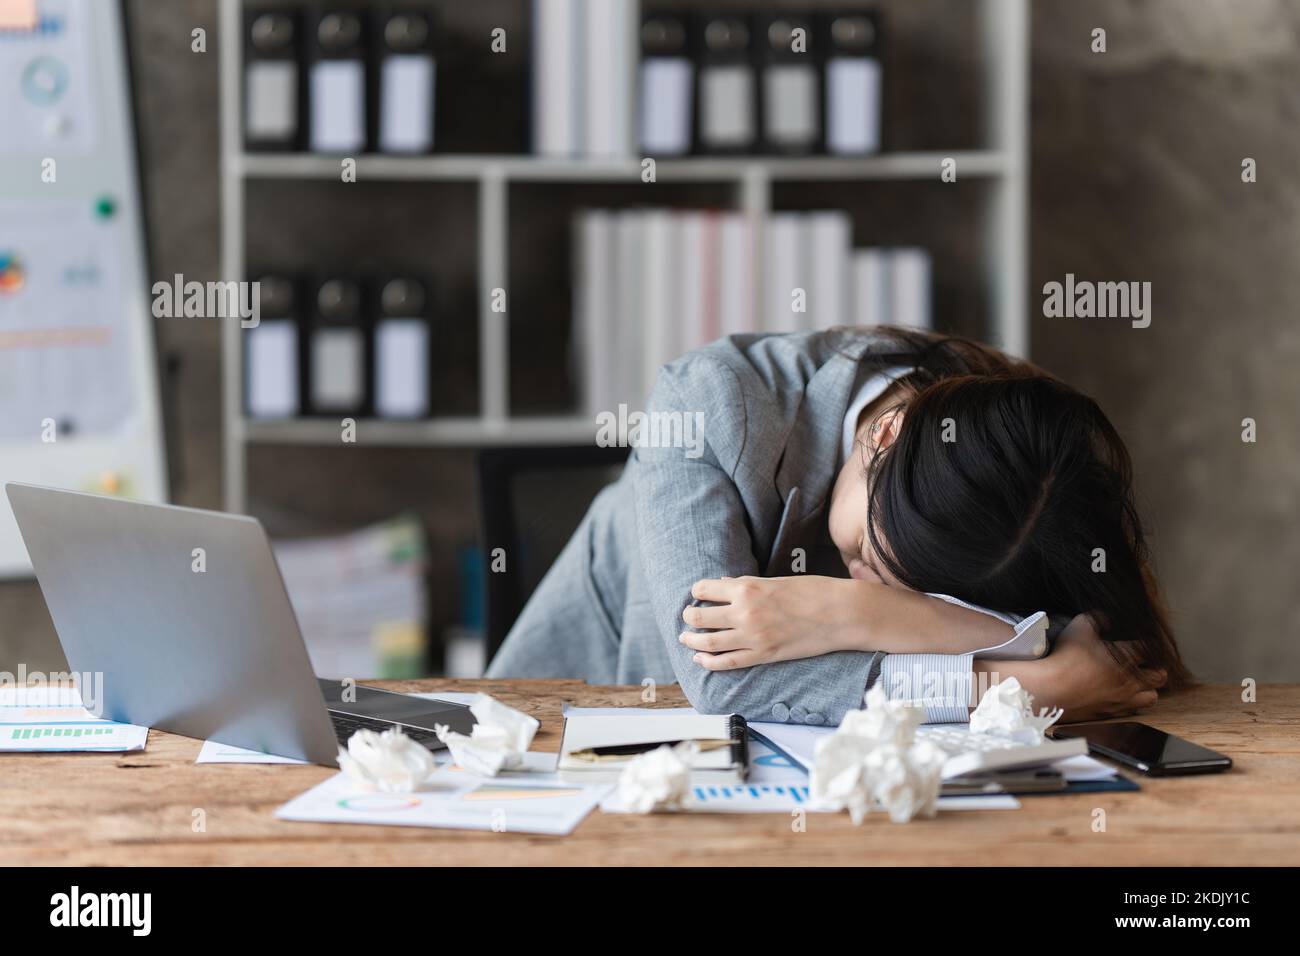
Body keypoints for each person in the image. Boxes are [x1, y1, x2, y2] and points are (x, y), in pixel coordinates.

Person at [486, 327, 1187, 726]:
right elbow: (718, 683)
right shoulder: (707, 403)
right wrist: (1023, 687)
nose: (867, 578)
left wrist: (866, 614)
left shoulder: (1022, 462)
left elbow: (1097, 640)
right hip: (583, 731)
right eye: (870, 557)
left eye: (916, 590)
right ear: (886, 432)